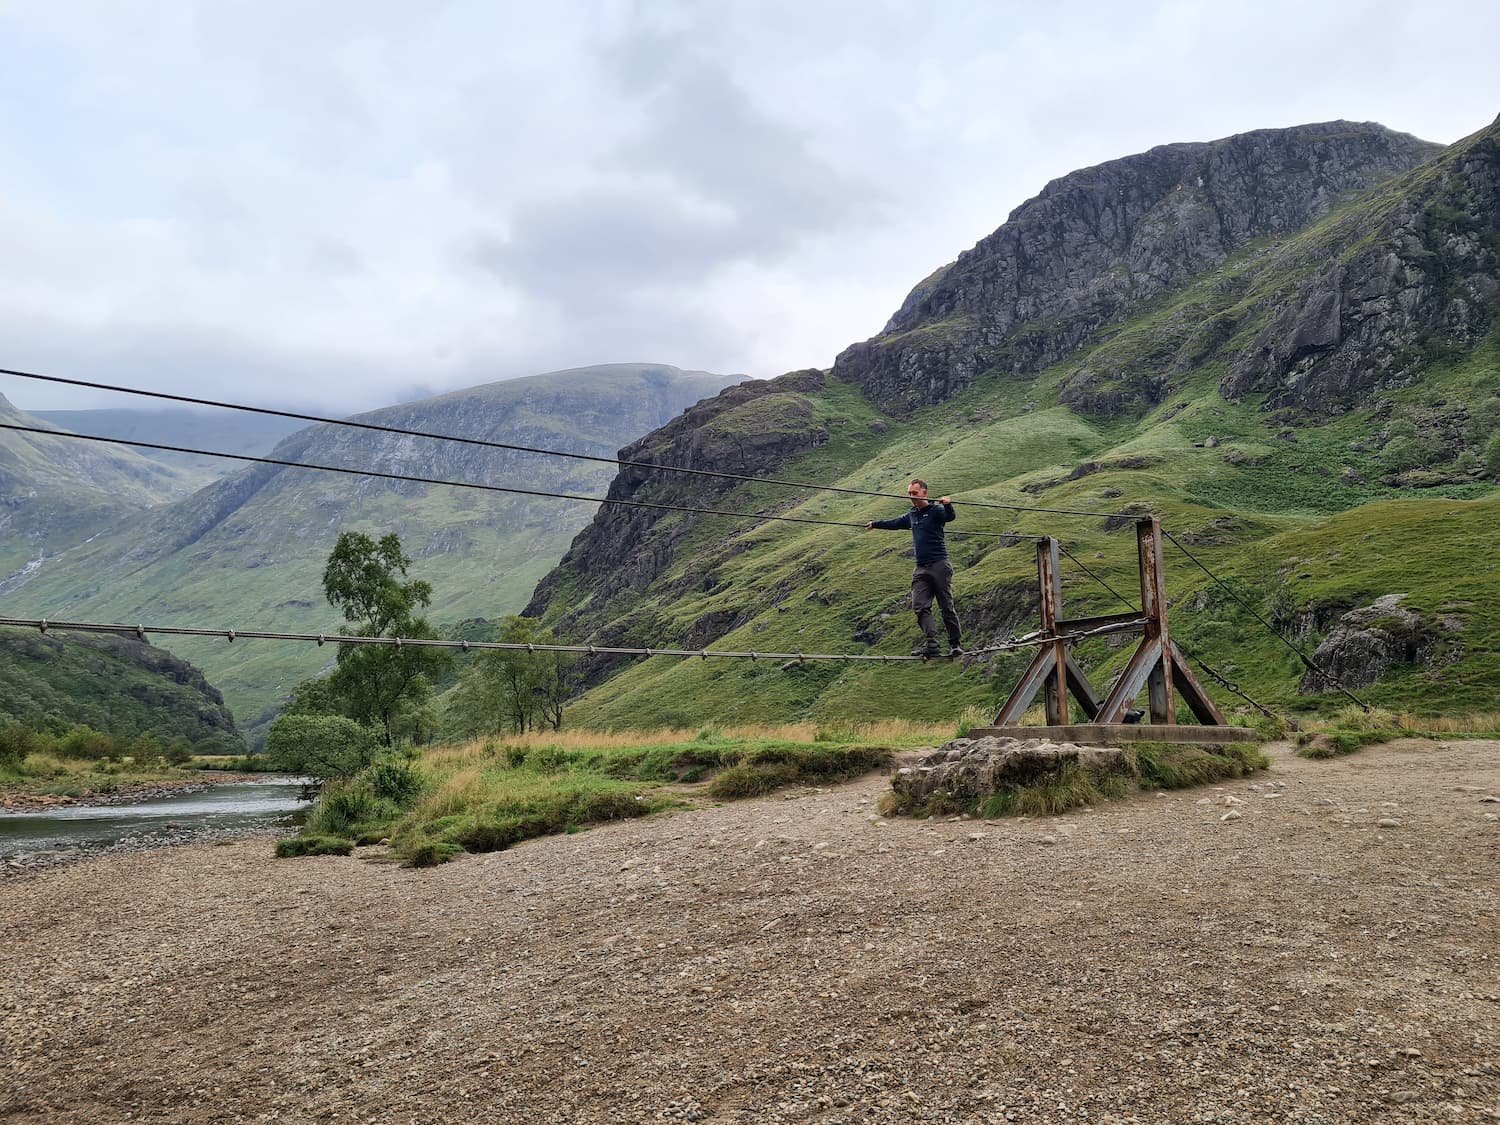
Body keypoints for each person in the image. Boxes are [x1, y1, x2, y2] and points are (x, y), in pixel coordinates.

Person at [865, 479, 962, 658]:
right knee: (920, 606)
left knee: (946, 607)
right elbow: (895, 523)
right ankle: (932, 645)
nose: (911, 496)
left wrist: (948, 505)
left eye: (914, 493)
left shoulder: (936, 510)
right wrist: (875, 524)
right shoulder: (912, 514)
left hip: (939, 565)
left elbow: (949, 517)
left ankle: (955, 645)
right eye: (909, 493)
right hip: (921, 569)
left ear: (925, 493)